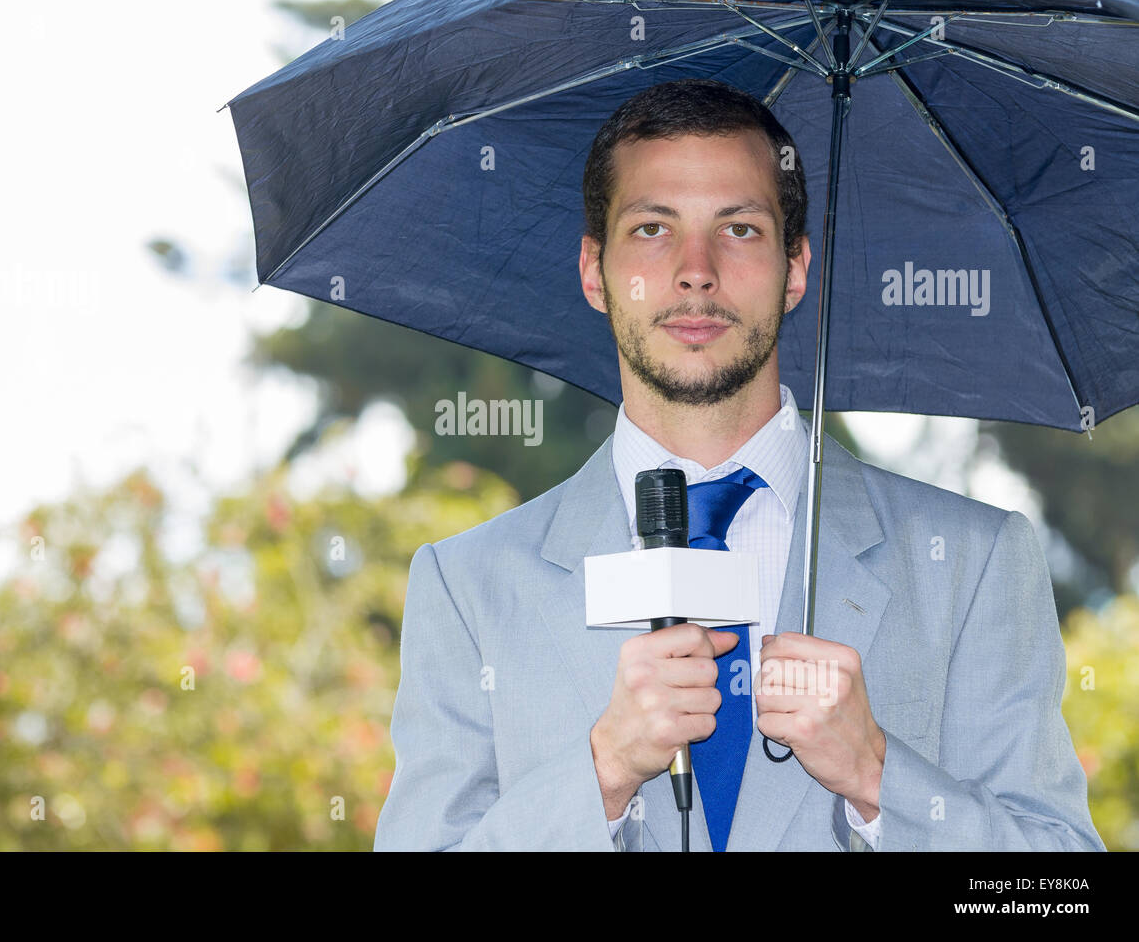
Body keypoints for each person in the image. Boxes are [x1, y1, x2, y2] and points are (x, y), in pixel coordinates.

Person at [373, 79, 1104, 852]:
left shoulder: (974, 564)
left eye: (742, 229)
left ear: (796, 270)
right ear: (595, 272)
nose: (696, 269)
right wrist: (605, 769)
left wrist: (880, 775)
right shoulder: (468, 587)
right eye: (653, 228)